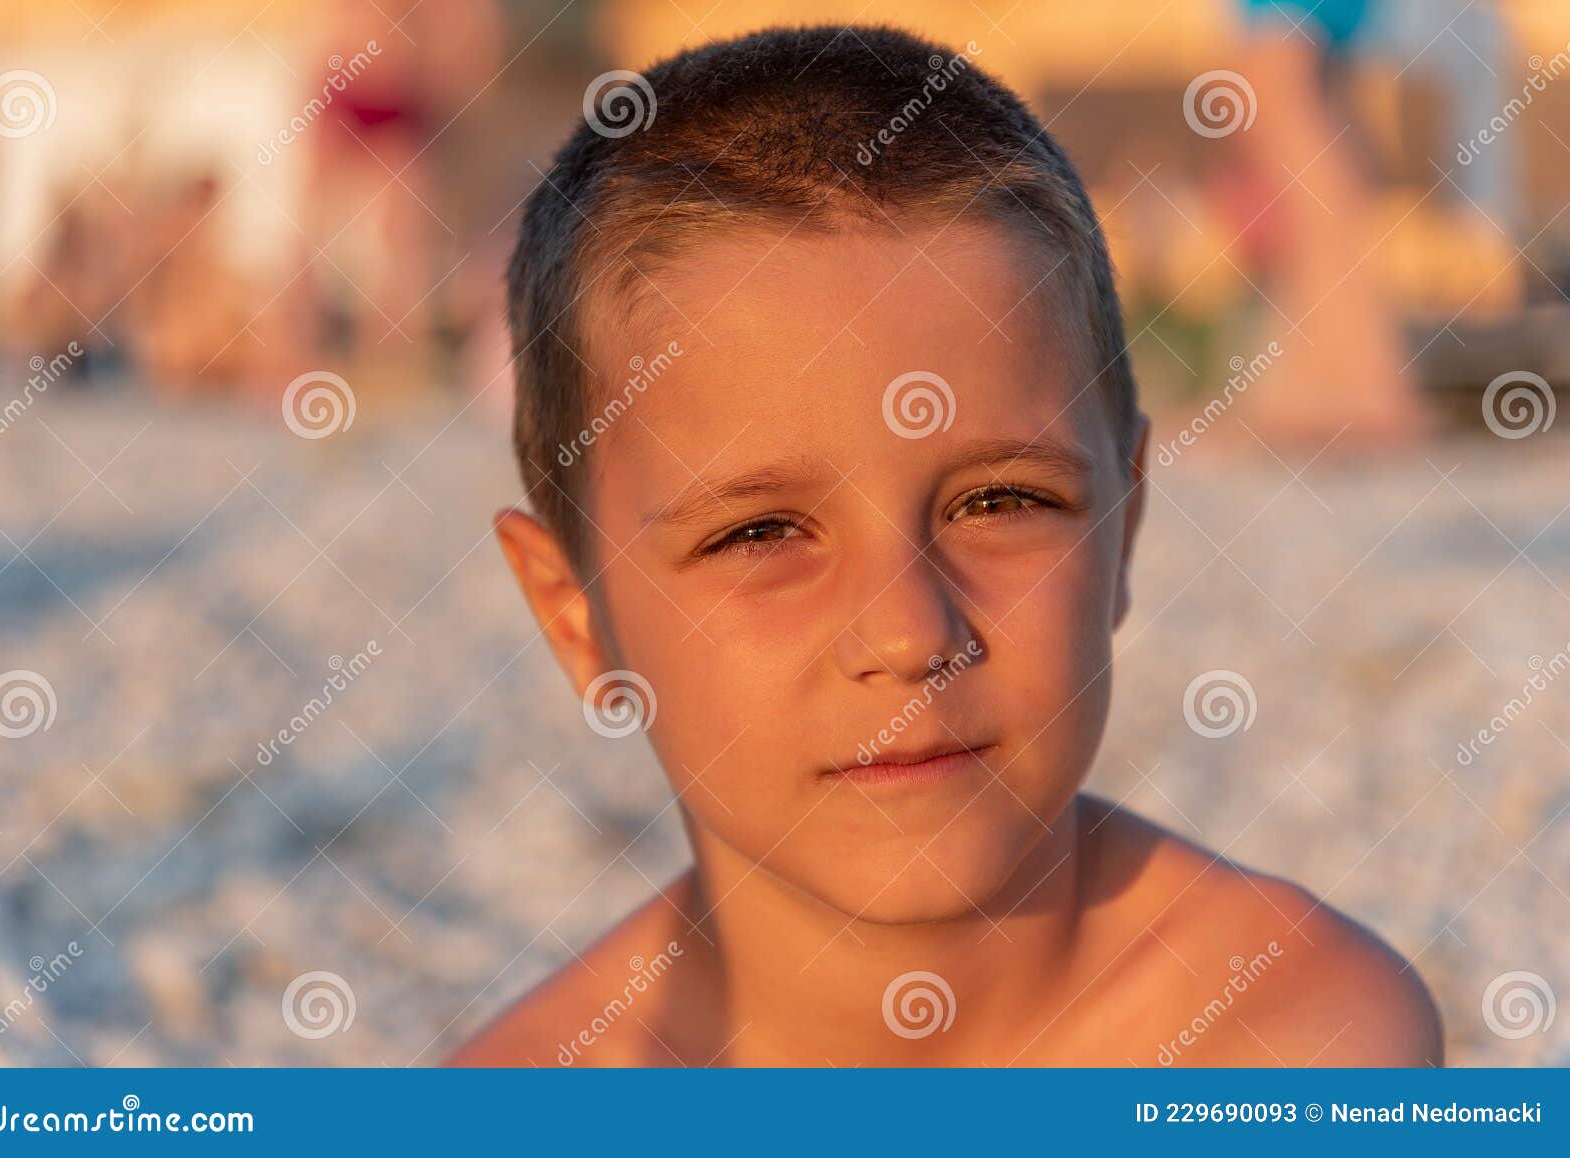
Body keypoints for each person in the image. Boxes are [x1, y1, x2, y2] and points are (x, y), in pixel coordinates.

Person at [447, 25, 1442, 1067]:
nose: (910, 633)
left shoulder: (1295, 1039)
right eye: (760, 532)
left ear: (1124, 523)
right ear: (574, 617)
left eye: (1000, 501)